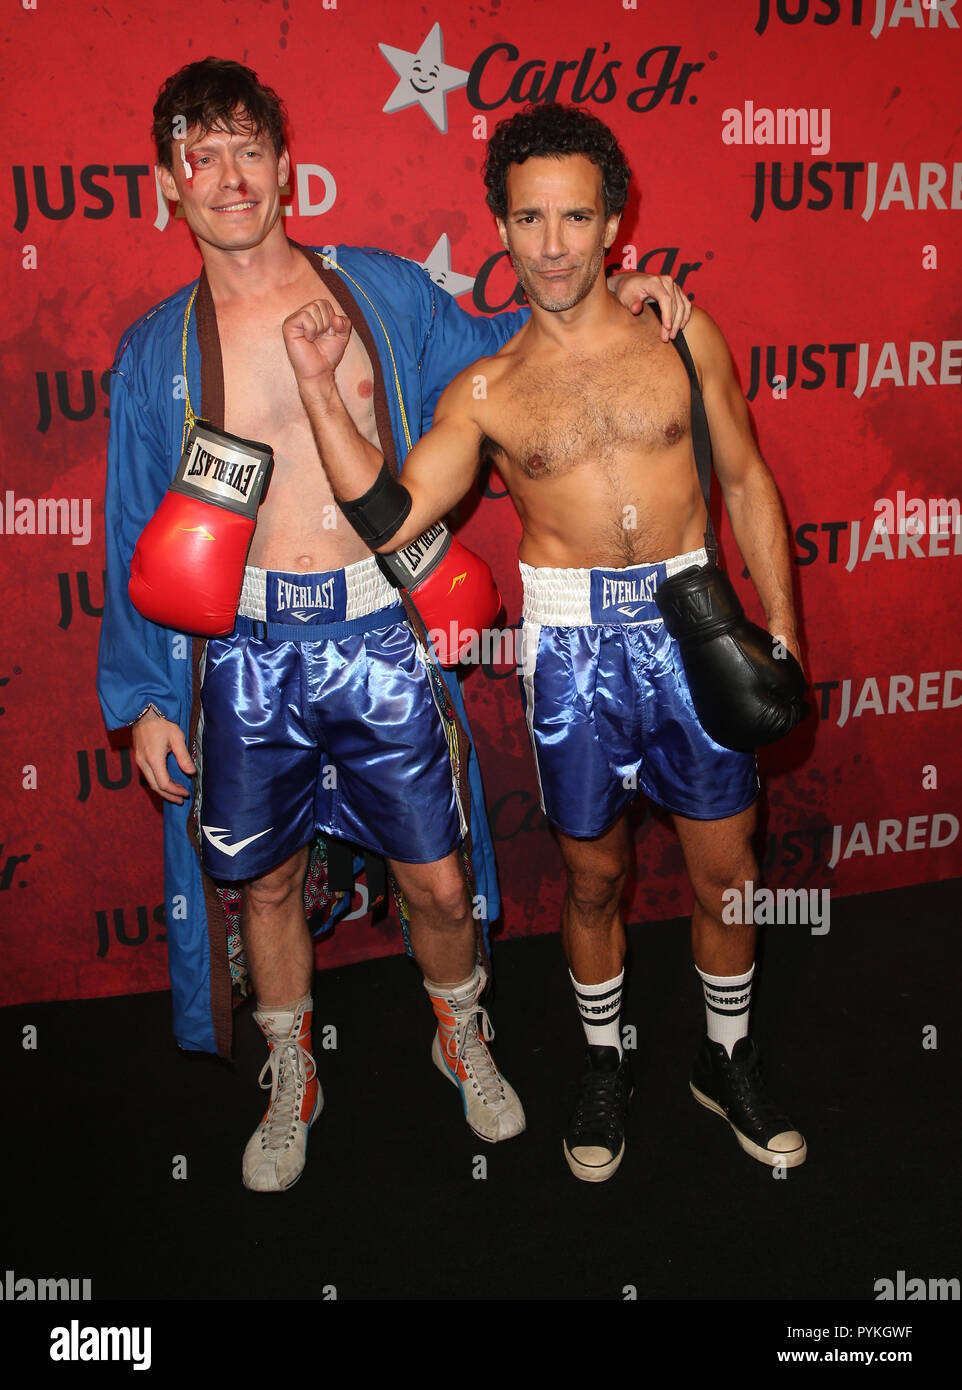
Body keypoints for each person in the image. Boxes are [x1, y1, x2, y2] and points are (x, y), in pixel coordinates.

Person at [96, 61, 689, 1194]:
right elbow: (134, 527)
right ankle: (291, 1071)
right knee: (264, 885)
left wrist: (624, 301)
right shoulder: (155, 352)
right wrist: (144, 700)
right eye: (200, 155)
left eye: (248, 150)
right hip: (251, 655)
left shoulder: (374, 292)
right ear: (169, 182)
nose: (229, 176)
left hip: (379, 637)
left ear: (283, 164)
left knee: (436, 878)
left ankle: (458, 1033)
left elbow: (507, 357)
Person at [282, 101, 808, 1184]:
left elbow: (747, 479)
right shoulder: (484, 388)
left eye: (575, 217)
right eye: (530, 219)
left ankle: (725, 1059)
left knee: (729, 873)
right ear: (502, 227)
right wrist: (317, 390)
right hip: (571, 653)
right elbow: (391, 516)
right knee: (590, 882)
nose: (554, 245)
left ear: (613, 222)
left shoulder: (678, 327)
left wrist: (786, 631)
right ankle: (602, 1064)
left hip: (691, 626)